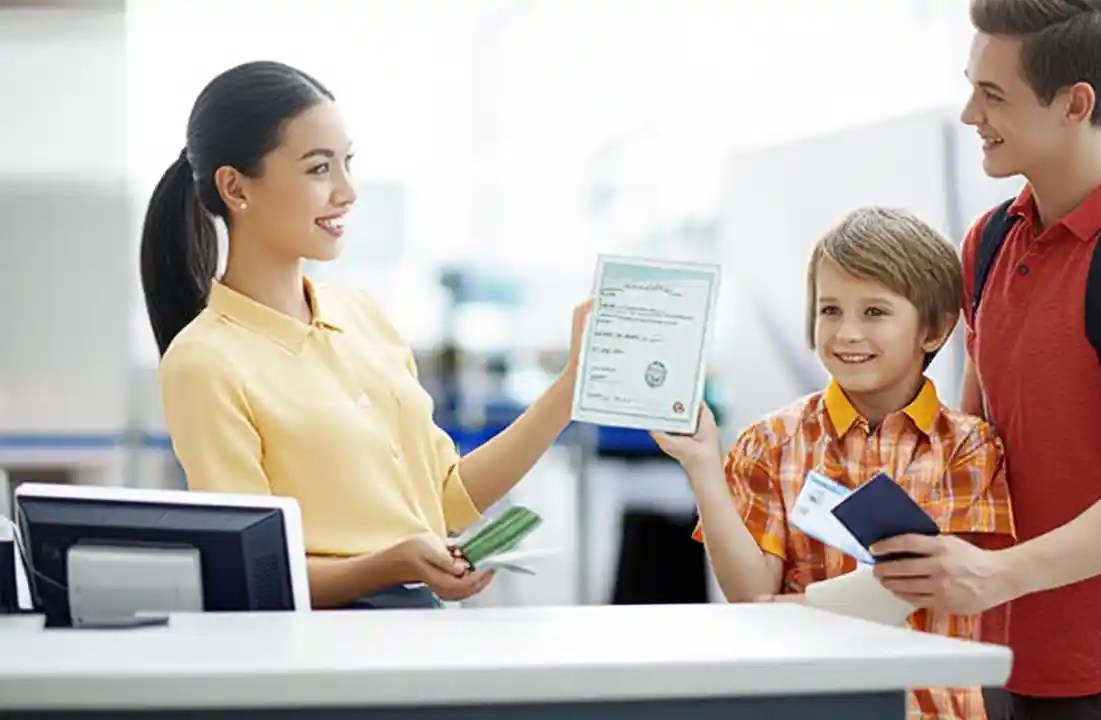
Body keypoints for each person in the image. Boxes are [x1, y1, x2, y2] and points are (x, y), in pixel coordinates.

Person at [867, 2, 1101, 718]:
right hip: (1000, 648)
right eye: (972, 86)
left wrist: (997, 574)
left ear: (1076, 103)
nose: (971, 113)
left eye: (994, 94)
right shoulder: (990, 241)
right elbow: (980, 435)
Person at [141, 61, 588, 611]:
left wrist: (572, 386)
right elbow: (250, 578)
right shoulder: (204, 360)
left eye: (346, 163)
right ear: (235, 187)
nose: (347, 191)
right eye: (318, 168)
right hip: (318, 654)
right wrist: (390, 565)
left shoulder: (362, 316)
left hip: (421, 629)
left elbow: (446, 499)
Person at [653, 207, 1015, 720]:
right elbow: (750, 592)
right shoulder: (768, 442)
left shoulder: (970, 447)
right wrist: (703, 467)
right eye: (829, 310)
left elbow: (933, 581)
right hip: (804, 705)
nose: (845, 332)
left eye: (874, 312)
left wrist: (789, 611)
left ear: (933, 329)